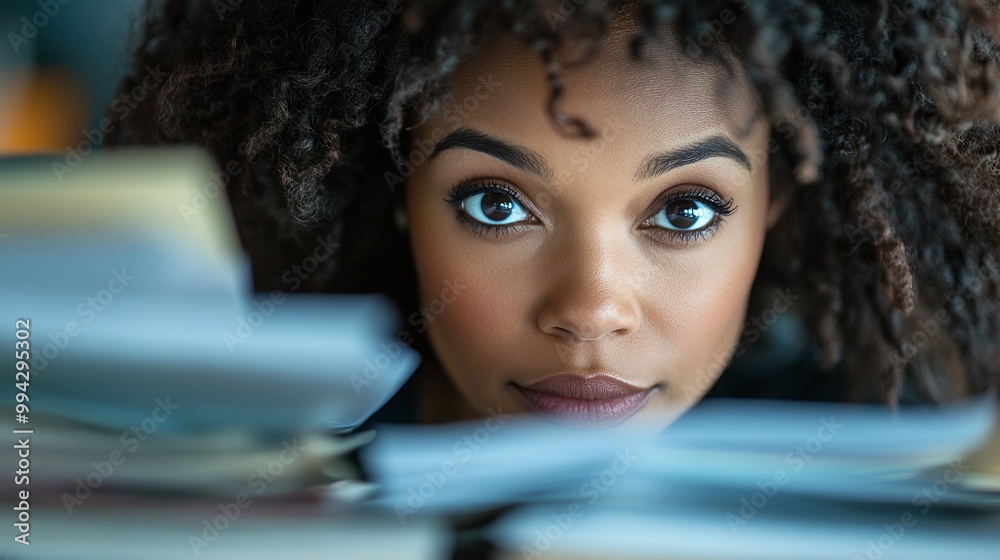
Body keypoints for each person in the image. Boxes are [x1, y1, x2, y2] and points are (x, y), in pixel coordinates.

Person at [108, 0, 1000, 430]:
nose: (591, 308)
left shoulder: (894, 471)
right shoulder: (207, 472)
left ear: (778, 202)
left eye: (685, 211)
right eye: (497, 205)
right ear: (396, 189)